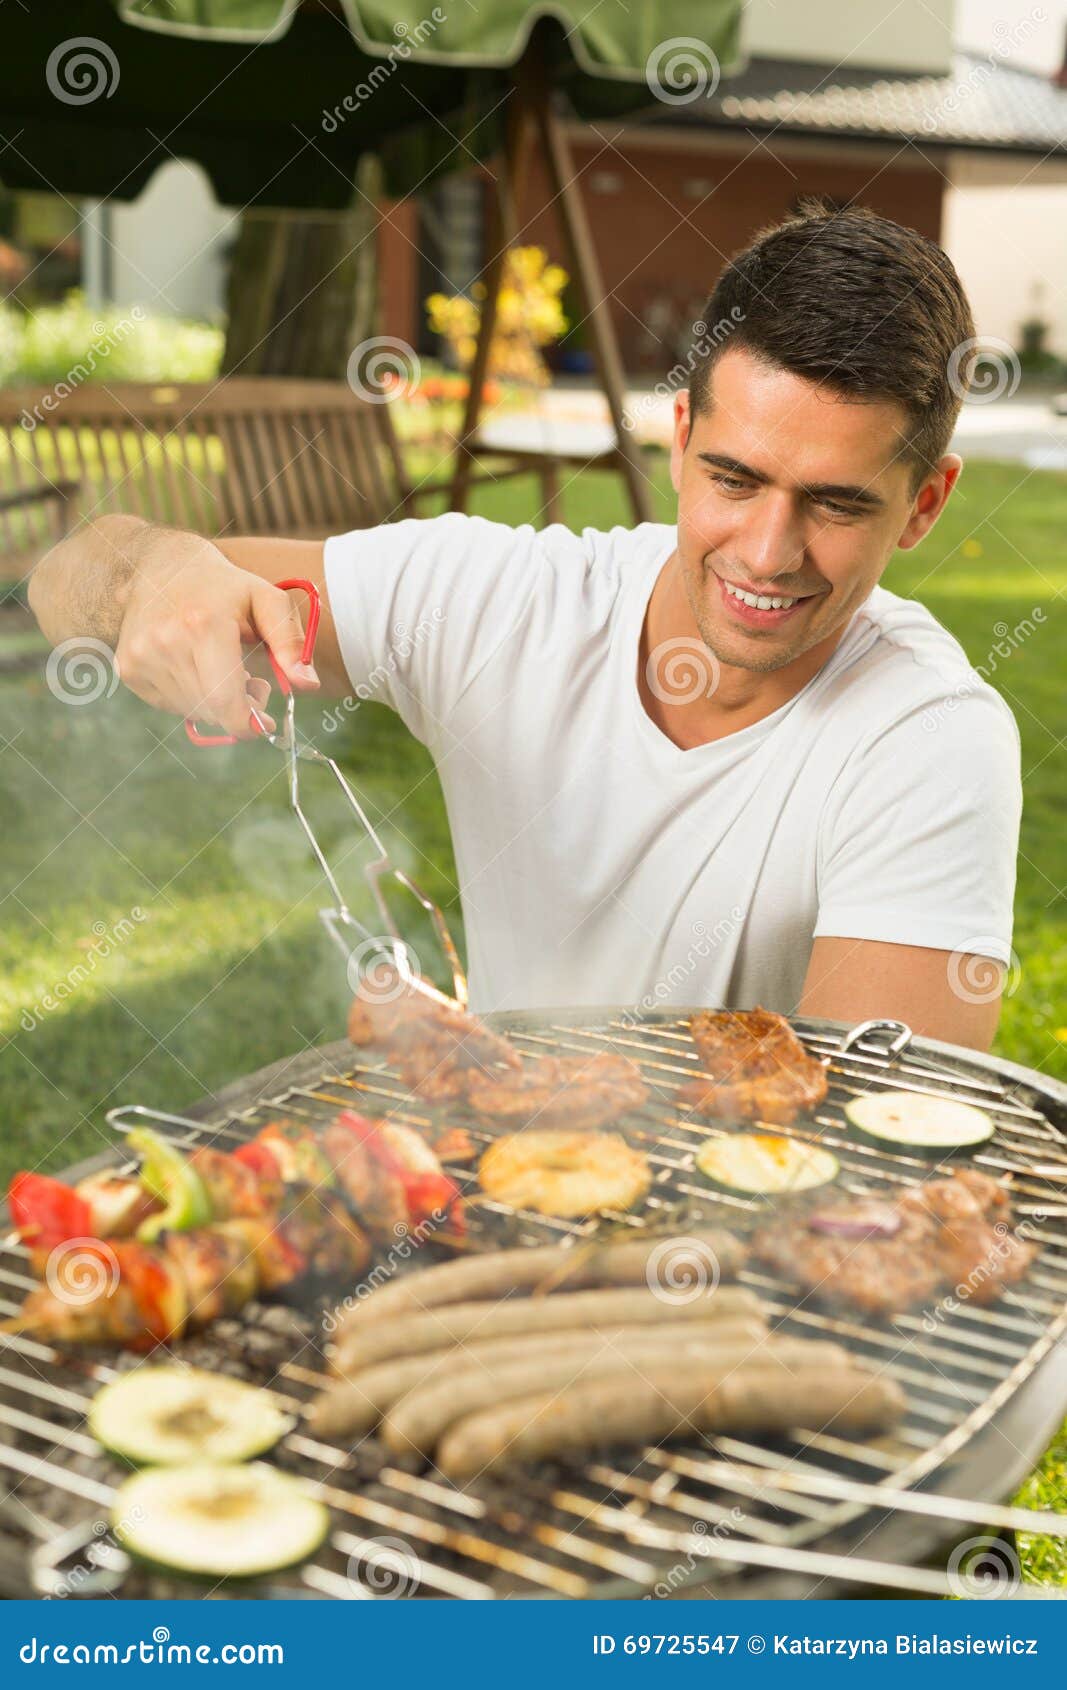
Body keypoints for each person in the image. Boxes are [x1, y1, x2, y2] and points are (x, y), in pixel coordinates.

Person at [29, 201, 1020, 1047]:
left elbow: (866, 1164)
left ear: (924, 504)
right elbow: (67, 577)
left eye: (835, 504)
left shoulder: (923, 738)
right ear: (679, 441)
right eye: (733, 477)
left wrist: (515, 1090)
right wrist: (157, 570)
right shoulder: (497, 604)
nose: (767, 552)